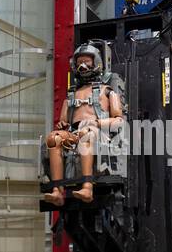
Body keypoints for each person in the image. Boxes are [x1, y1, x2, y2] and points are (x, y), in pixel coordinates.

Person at [42, 44, 126, 207]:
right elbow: (64, 122)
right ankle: (57, 192)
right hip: (75, 134)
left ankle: (87, 187)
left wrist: (97, 122)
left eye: (87, 62)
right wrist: (63, 124)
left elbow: (119, 120)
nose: (83, 66)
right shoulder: (71, 95)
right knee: (54, 138)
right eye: (79, 63)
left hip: (99, 134)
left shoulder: (107, 91)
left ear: (97, 64)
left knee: (86, 133)